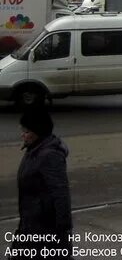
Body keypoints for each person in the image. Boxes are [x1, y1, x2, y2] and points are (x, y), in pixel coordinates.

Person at [15, 108, 73, 258]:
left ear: (37, 132)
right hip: (30, 225)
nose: (22, 135)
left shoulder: (49, 156)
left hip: (45, 229)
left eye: (26, 131)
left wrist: (62, 230)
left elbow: (61, 193)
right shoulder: (33, 150)